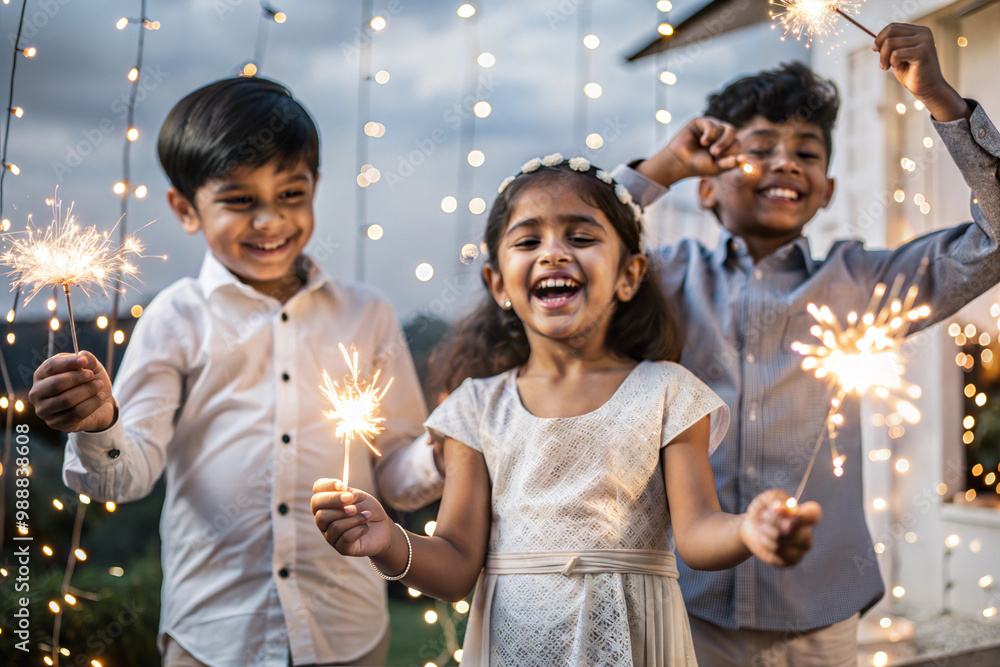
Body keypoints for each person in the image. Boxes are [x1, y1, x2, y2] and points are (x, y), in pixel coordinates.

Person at [312, 154, 822, 666]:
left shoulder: (668, 391)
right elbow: (455, 564)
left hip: (635, 643)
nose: (553, 253)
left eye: (580, 238)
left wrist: (746, 531)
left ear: (629, 274)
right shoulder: (476, 408)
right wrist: (387, 542)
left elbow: (696, 534)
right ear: (498, 283)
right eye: (529, 241)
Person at [609, 23, 1000, 665]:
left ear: (826, 193)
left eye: (807, 153)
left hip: (822, 607)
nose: (786, 162)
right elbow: (570, 247)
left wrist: (942, 102)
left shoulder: (865, 283)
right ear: (706, 186)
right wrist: (663, 168)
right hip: (693, 600)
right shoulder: (663, 281)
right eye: (759, 148)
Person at [28, 77, 443, 667]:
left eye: (291, 193)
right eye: (240, 200)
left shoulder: (366, 313)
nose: (270, 221)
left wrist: (440, 456)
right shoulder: (175, 318)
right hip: (213, 635)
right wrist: (100, 424)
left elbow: (398, 473)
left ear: (316, 188)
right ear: (185, 208)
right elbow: (123, 477)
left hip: (346, 629)